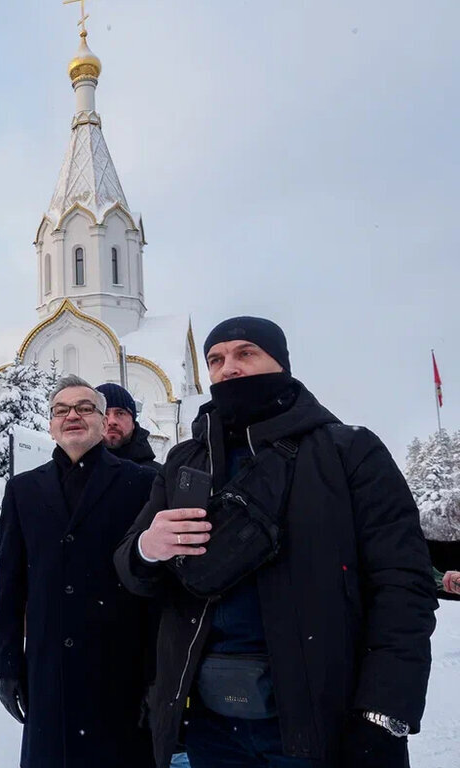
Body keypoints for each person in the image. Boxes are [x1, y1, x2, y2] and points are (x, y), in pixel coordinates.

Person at [114, 316, 437, 768]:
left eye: (246, 353)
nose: (229, 368)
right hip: (211, 729)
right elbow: (132, 569)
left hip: (321, 719)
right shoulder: (186, 463)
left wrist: (383, 714)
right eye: (216, 359)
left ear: (281, 363)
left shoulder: (348, 452)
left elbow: (403, 585)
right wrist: (149, 547)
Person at [0, 375, 157, 767]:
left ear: (103, 424)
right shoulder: (24, 490)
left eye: (86, 408)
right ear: (50, 425)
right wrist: (8, 665)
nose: (73, 416)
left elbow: (157, 585)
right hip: (49, 668)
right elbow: (10, 586)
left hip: (121, 667)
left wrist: (158, 674)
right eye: (61, 410)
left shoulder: (142, 484)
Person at [97, 382, 160, 471]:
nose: (111, 421)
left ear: (133, 422)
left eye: (120, 413)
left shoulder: (157, 476)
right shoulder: (75, 473)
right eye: (104, 414)